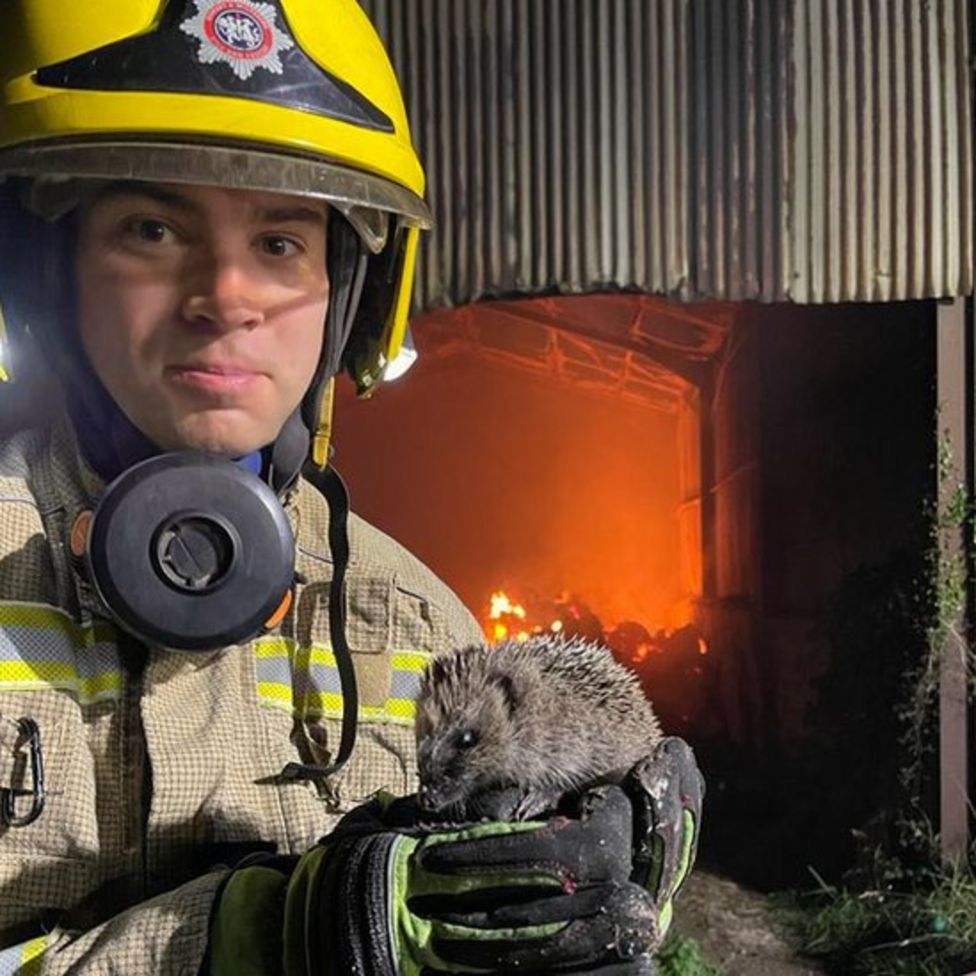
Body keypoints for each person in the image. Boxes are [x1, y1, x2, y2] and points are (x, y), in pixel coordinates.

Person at [0, 1, 703, 973]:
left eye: (282, 243)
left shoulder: (423, 626)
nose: (228, 297)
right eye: (153, 227)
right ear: (43, 269)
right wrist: (265, 940)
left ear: (351, 296)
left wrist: (596, 901)